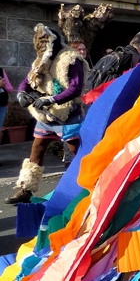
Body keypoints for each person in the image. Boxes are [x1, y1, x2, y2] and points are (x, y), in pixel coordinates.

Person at [5, 25, 88, 205]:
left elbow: (75, 88)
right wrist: (21, 93)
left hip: (68, 114)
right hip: (45, 116)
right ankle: (25, 189)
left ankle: (89, 187)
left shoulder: (71, 59)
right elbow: (28, 81)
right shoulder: (41, 60)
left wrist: (51, 99)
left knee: (78, 152)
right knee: (37, 148)